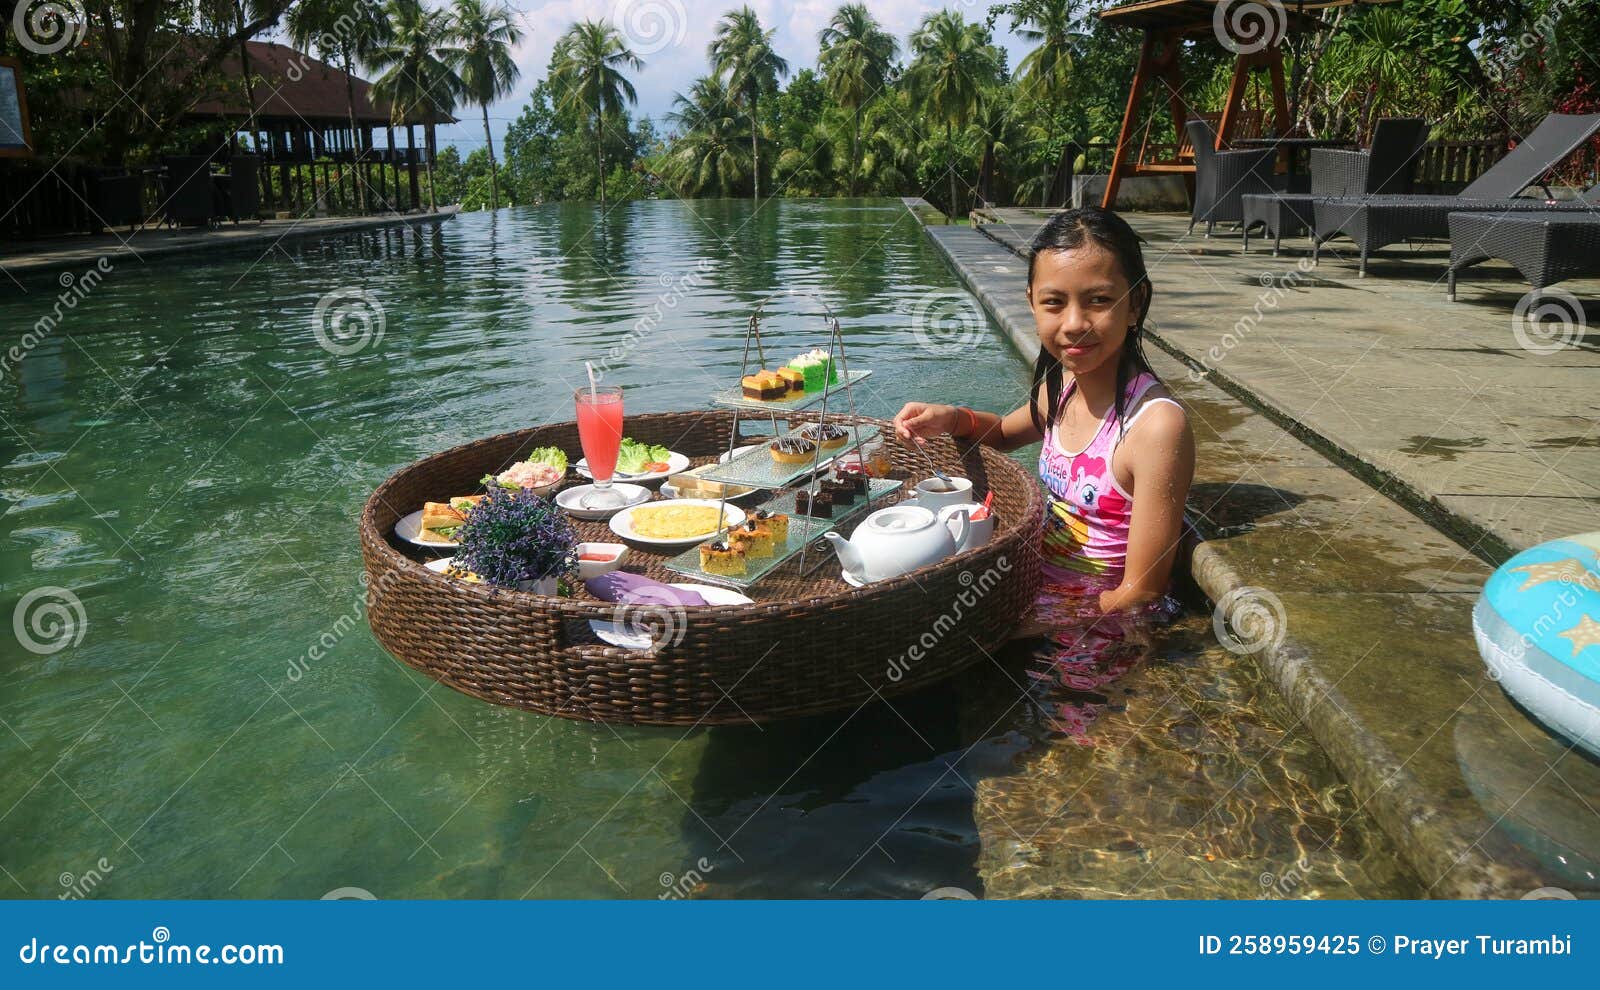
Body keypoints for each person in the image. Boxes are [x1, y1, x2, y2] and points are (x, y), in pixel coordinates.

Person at [892, 206, 1196, 737]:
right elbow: (1004, 434)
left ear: (1135, 304)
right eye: (1054, 303)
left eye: (1099, 300)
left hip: (1099, 629)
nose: (1074, 324)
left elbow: (1143, 593)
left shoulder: (1155, 429)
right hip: (1035, 595)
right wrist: (951, 418)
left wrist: (1023, 625)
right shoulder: (1064, 387)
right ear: (1032, 304)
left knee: (1052, 745)